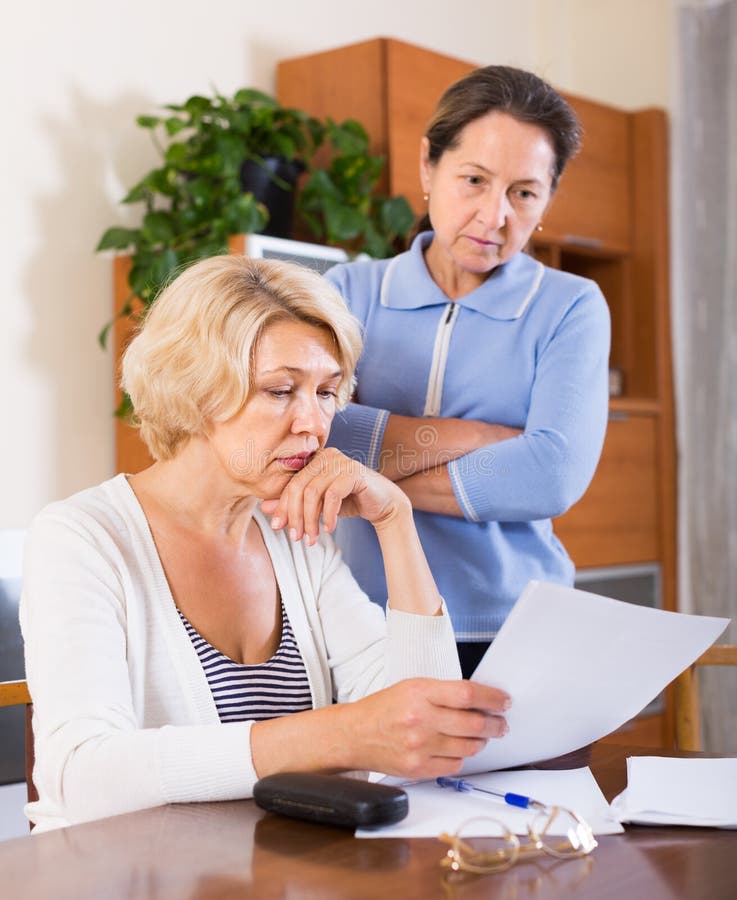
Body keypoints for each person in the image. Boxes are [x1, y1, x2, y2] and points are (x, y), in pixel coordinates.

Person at [20, 256, 510, 832]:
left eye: (326, 392)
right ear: (195, 392)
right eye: (280, 390)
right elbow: (82, 776)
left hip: (278, 867)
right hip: (131, 870)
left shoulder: (292, 535)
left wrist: (394, 519)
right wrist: (340, 734)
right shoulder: (82, 538)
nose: (314, 424)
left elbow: (426, 722)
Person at [325, 65, 611, 678]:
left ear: (548, 197)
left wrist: (367, 488)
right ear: (428, 166)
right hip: (367, 620)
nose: (494, 216)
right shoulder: (347, 292)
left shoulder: (571, 306)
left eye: (524, 193)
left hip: (518, 627)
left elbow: (552, 474)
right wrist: (482, 438)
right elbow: (319, 433)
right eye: (475, 180)